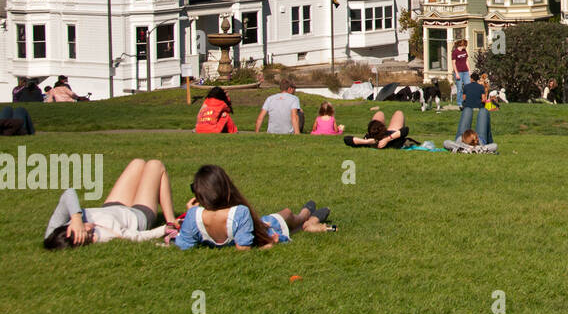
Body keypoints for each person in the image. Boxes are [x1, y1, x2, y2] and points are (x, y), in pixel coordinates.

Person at [175, 165, 329, 248]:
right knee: (289, 216)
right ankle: (308, 217)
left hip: (260, 225)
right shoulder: (239, 213)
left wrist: (192, 215)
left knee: (289, 219)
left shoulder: (194, 216)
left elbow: (183, 244)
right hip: (267, 226)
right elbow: (244, 248)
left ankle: (306, 217)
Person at [43, 158, 178, 249]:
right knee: (155, 165)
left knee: (138, 163)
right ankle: (172, 221)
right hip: (137, 216)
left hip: (111, 208)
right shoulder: (103, 236)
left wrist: (76, 218)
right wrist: (163, 230)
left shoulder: (53, 234)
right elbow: (135, 237)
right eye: (88, 234)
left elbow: (69, 193)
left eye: (84, 228)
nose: (90, 229)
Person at [343, 110, 411, 149]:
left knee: (379, 113)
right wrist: (387, 139)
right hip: (393, 133)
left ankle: (377, 126)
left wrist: (366, 142)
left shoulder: (369, 140)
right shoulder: (394, 142)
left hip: (385, 135)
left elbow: (347, 139)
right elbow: (405, 130)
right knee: (398, 112)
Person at [459, 71, 488, 141]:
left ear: (471, 79)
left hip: (468, 105)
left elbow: (464, 98)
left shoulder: (466, 86)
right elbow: (484, 99)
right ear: (478, 79)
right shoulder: (481, 87)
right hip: (478, 105)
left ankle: (462, 138)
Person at [452, 39, 470, 107]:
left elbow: (466, 61)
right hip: (459, 72)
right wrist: (456, 73)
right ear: (462, 45)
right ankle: (460, 103)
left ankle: (467, 101)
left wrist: (469, 70)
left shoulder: (464, 51)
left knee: (467, 87)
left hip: (465, 71)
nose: (465, 47)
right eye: (465, 45)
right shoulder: (455, 52)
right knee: (459, 88)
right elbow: (453, 63)